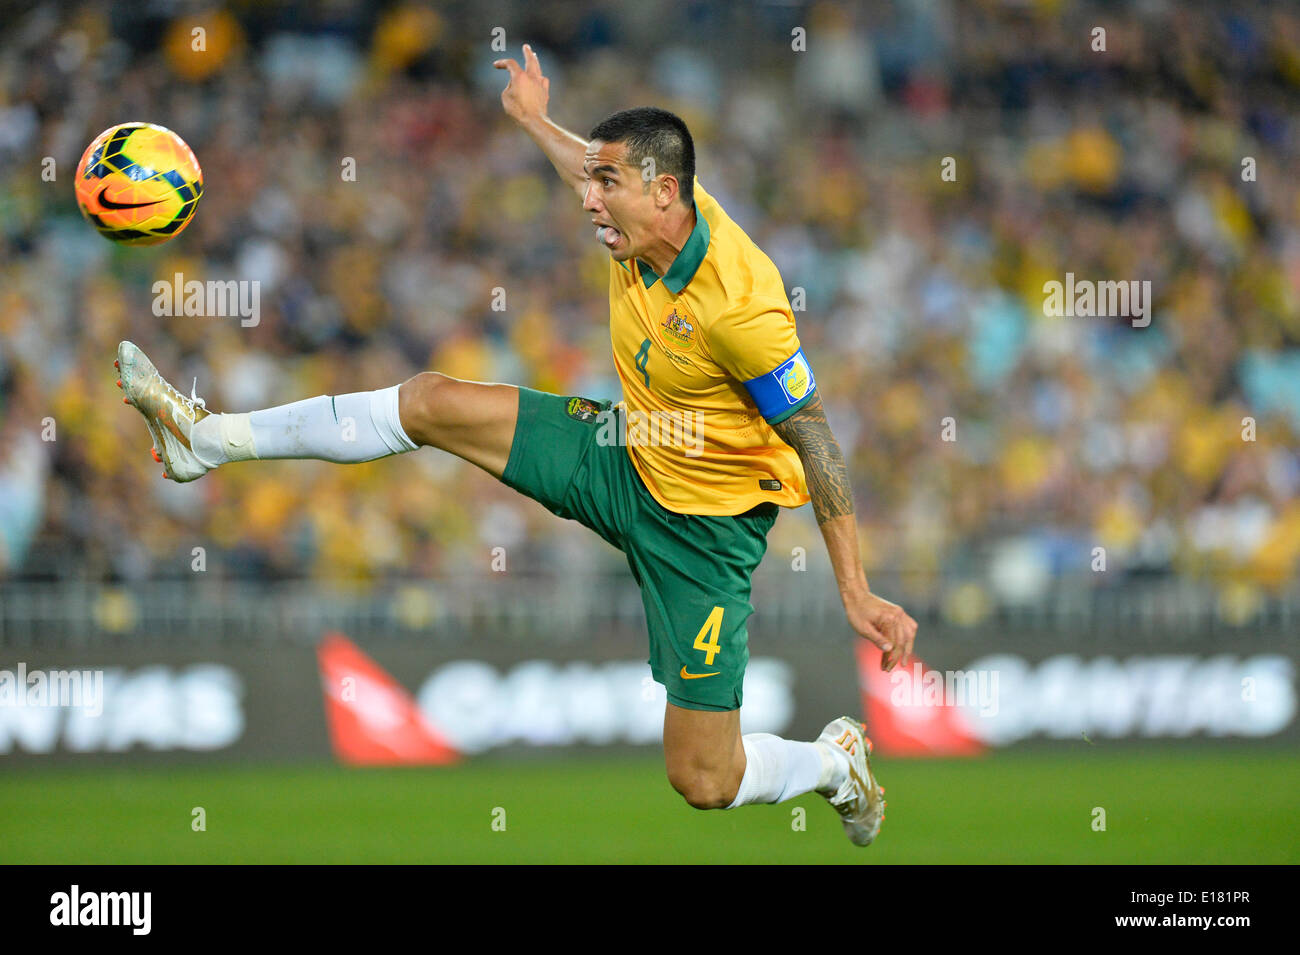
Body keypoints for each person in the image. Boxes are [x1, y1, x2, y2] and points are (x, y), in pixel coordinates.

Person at [114, 44, 917, 846]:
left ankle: (833, 763)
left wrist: (854, 587)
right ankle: (206, 439)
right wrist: (535, 119)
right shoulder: (644, 220)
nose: (589, 201)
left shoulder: (742, 307)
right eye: (591, 180)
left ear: (664, 193)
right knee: (431, 401)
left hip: (706, 531)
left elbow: (816, 440)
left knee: (704, 780)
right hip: (622, 449)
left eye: (608, 186)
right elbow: (587, 168)